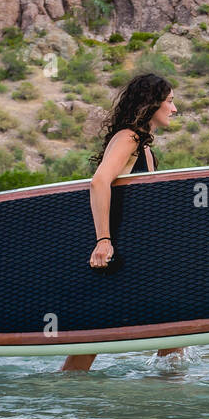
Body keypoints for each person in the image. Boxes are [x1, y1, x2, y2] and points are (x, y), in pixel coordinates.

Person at [60, 73, 179, 373]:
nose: (174, 109)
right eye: (170, 101)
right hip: (115, 252)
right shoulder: (129, 138)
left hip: (137, 253)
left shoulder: (146, 148)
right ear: (152, 104)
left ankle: (167, 399)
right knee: (95, 337)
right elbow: (99, 182)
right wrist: (103, 240)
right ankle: (67, 393)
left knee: (174, 326)